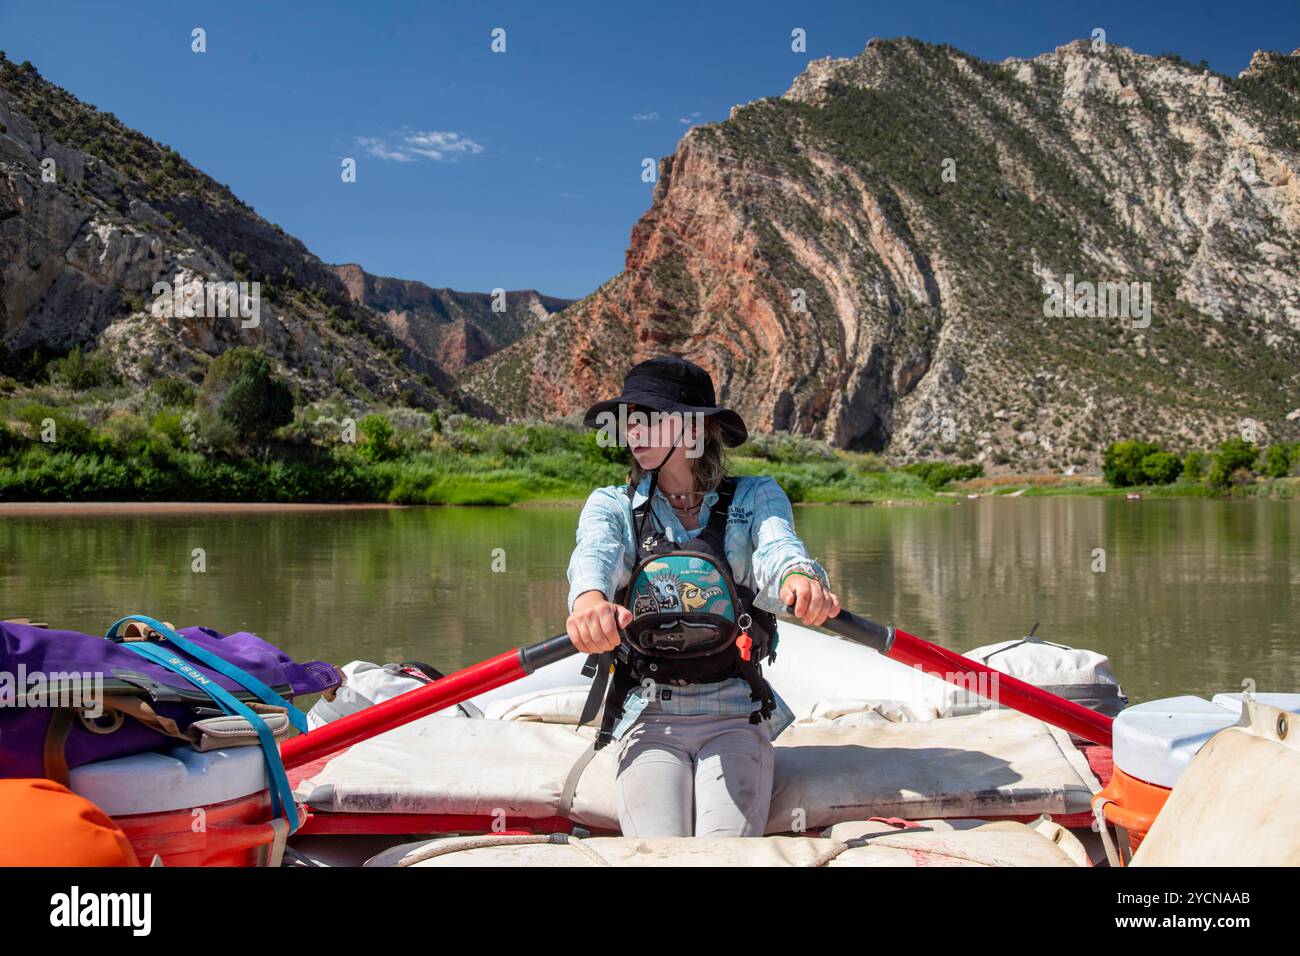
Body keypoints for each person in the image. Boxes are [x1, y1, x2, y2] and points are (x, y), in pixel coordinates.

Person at [566, 356, 840, 838]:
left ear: (696, 427)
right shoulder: (611, 504)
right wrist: (590, 601)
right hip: (646, 715)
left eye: (650, 418)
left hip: (736, 713)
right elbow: (596, 555)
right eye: (630, 420)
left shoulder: (756, 496)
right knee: (659, 851)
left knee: (722, 852)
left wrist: (799, 578)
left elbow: (777, 551)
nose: (634, 431)